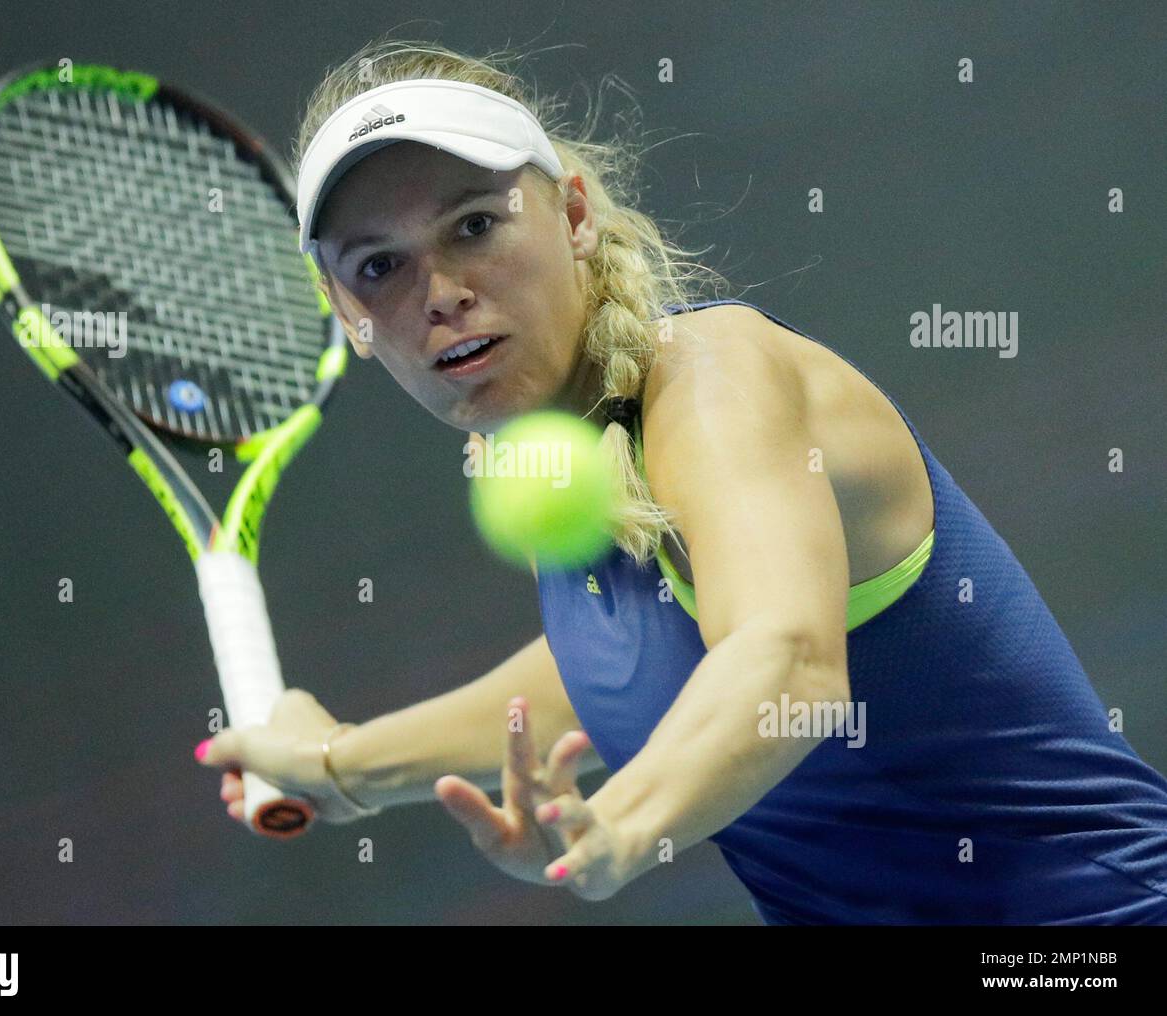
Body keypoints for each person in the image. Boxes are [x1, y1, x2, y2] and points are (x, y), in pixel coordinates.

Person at [196, 39, 1167, 923]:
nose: (439, 290)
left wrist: (616, 827)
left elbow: (785, 657)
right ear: (347, 315)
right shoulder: (553, 459)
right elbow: (612, 672)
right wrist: (338, 763)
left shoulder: (713, 373)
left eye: (475, 225)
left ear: (572, 212)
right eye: (379, 265)